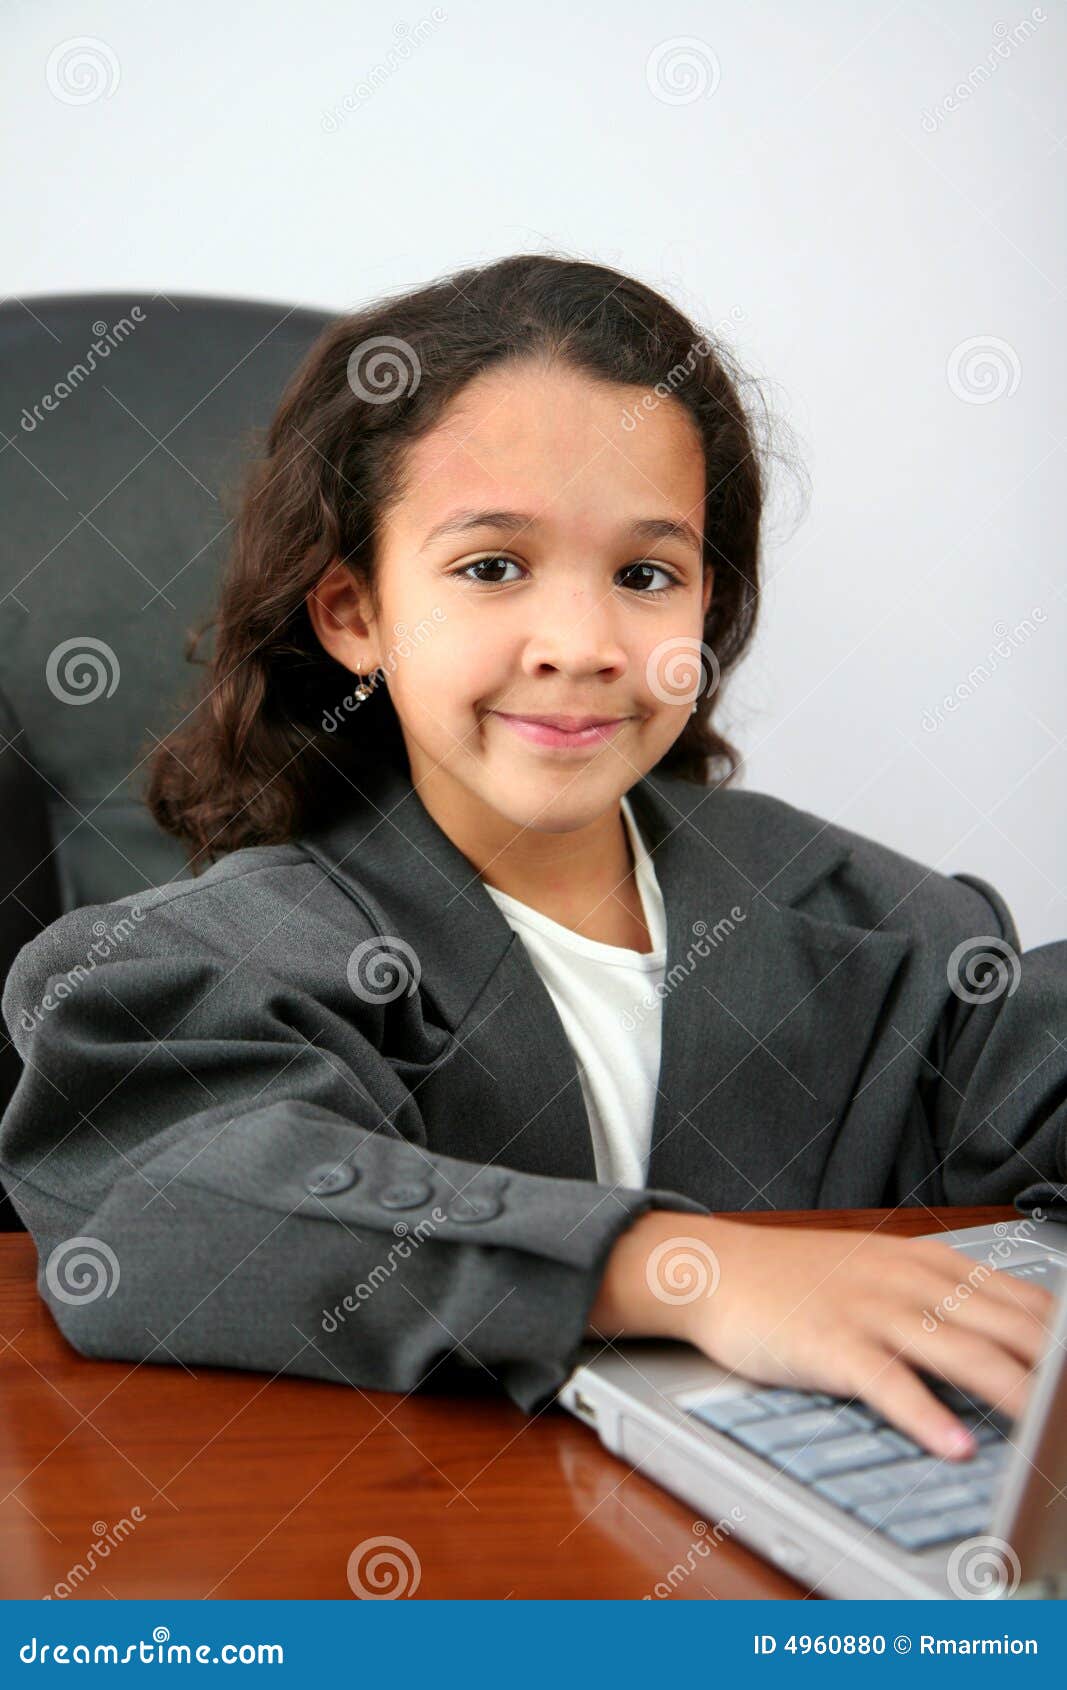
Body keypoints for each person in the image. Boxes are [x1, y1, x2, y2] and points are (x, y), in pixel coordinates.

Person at [1, 255, 1062, 1465]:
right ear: (353, 614)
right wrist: (690, 1270)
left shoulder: (888, 927)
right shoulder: (199, 969)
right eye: (491, 567)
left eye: (645, 575)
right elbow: (174, 1200)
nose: (580, 642)